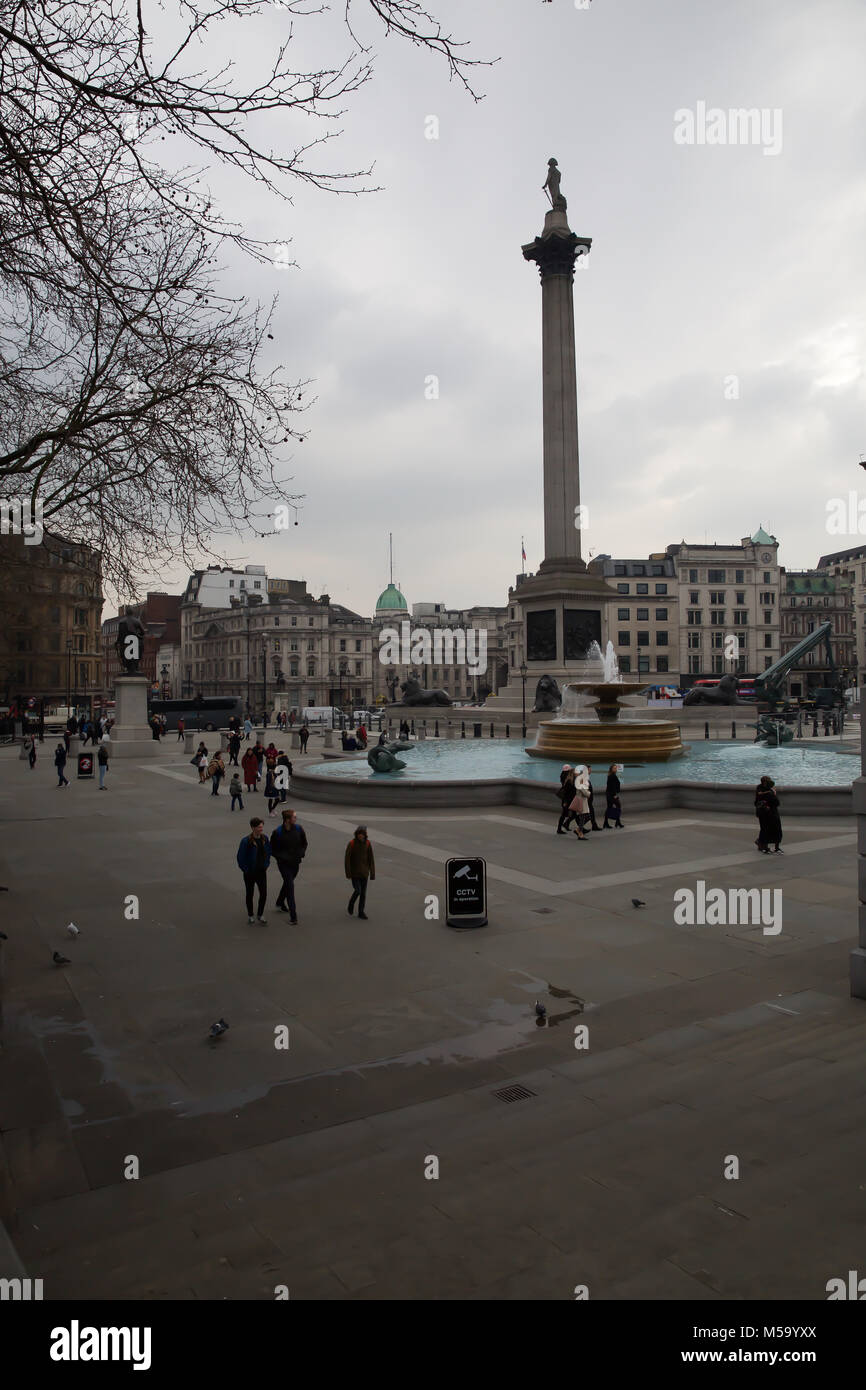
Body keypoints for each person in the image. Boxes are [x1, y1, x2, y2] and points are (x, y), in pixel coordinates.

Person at [271, 808, 308, 922]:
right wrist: (281, 857)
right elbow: (272, 849)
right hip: (284, 864)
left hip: (295, 862)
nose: (296, 818)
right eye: (294, 817)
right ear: (287, 820)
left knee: (288, 883)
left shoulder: (298, 829)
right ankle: (293, 916)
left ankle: (279, 902)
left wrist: (301, 853)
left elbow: (304, 843)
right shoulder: (277, 832)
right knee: (290, 887)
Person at [237, 817, 270, 924]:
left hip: (261, 871)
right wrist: (246, 870)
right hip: (250, 873)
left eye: (262, 827)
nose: (261, 829)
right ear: (253, 828)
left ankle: (260, 914)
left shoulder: (265, 838)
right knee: (250, 894)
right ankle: (250, 914)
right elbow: (240, 857)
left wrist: (266, 864)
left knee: (263, 894)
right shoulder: (246, 841)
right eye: (259, 827)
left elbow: (268, 852)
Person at [345, 825, 375, 919]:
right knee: (358, 890)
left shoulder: (368, 844)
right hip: (355, 873)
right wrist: (348, 873)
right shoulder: (352, 843)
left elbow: (371, 859)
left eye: (362, 834)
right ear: (357, 834)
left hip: (364, 873)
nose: (361, 836)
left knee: (363, 894)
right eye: (359, 834)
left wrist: (372, 873)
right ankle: (351, 903)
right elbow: (347, 859)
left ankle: (361, 912)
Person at [755, 775, 782, 853]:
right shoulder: (770, 792)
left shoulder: (759, 789)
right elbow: (777, 803)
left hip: (762, 813)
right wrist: (773, 793)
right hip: (770, 813)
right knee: (772, 829)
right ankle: (766, 846)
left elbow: (757, 801)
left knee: (764, 829)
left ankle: (762, 844)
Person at [568, 767, 589, 840]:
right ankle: (580, 833)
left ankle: (579, 831)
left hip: (582, 801)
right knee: (583, 817)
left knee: (583, 817)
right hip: (581, 801)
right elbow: (583, 790)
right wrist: (588, 793)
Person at [556, 764, 576, 834]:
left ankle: (564, 825)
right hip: (567, 800)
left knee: (565, 814)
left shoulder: (563, 776)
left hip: (567, 799)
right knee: (568, 814)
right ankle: (561, 827)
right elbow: (568, 791)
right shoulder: (568, 780)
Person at [602, 764, 623, 828]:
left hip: (609, 794)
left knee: (609, 808)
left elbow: (609, 786)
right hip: (611, 795)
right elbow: (612, 786)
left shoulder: (611, 775)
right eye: (614, 768)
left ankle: (606, 823)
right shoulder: (612, 776)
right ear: (611, 769)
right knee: (618, 806)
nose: (615, 769)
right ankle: (617, 822)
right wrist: (614, 795)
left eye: (616, 768)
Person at [585, 763, 600, 831]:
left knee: (590, 814)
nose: (591, 771)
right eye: (590, 770)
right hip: (587, 801)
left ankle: (594, 826)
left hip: (589, 800)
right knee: (588, 815)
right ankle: (579, 828)